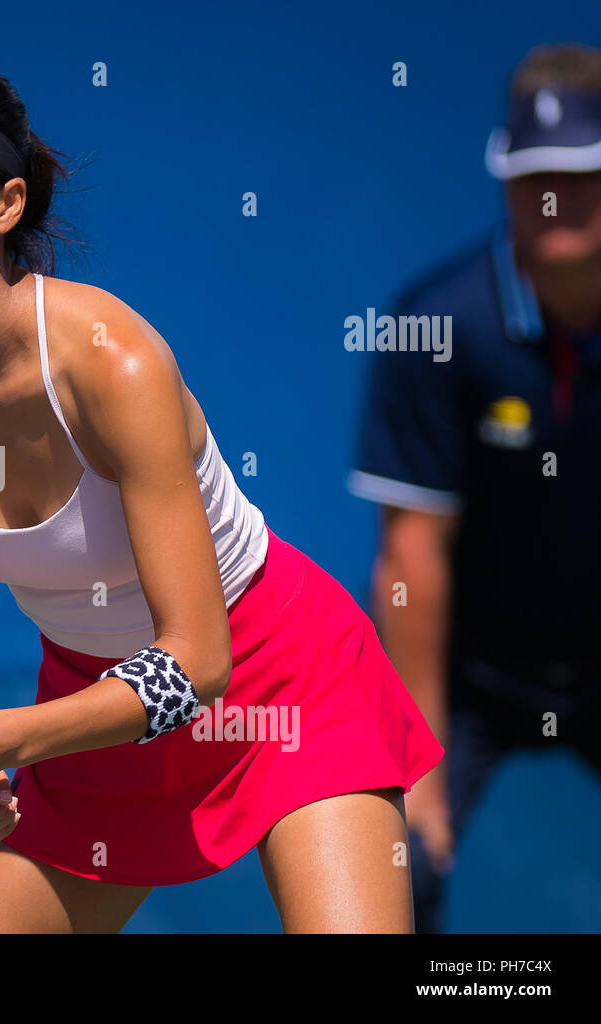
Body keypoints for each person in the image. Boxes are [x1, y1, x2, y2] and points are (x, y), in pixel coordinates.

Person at [0, 49, 442, 933]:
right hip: (90, 711)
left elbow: (200, 662)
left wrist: (9, 739)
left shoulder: (113, 360)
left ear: (8, 204)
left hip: (281, 679)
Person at [347, 43, 601, 933]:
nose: (555, 198)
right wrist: (422, 768)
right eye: (534, 176)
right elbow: (411, 553)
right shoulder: (435, 325)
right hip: (472, 672)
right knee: (395, 861)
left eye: (581, 174)